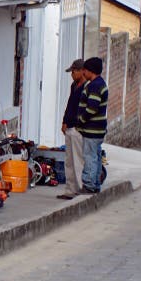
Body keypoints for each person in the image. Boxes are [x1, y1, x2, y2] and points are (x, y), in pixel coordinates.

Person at [76, 56, 108, 194]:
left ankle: (89, 184)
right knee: (96, 156)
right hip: (98, 129)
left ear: (91, 71)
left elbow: (92, 108)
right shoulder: (101, 84)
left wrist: (81, 119)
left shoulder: (94, 86)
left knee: (89, 156)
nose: (83, 73)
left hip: (92, 129)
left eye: (85, 71)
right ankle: (95, 183)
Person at [57, 59, 86, 200]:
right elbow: (70, 105)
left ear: (82, 71)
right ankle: (70, 189)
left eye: (74, 71)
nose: (72, 74)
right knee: (69, 160)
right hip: (69, 126)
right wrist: (64, 121)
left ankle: (80, 189)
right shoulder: (74, 85)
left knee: (78, 160)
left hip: (78, 128)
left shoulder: (87, 87)